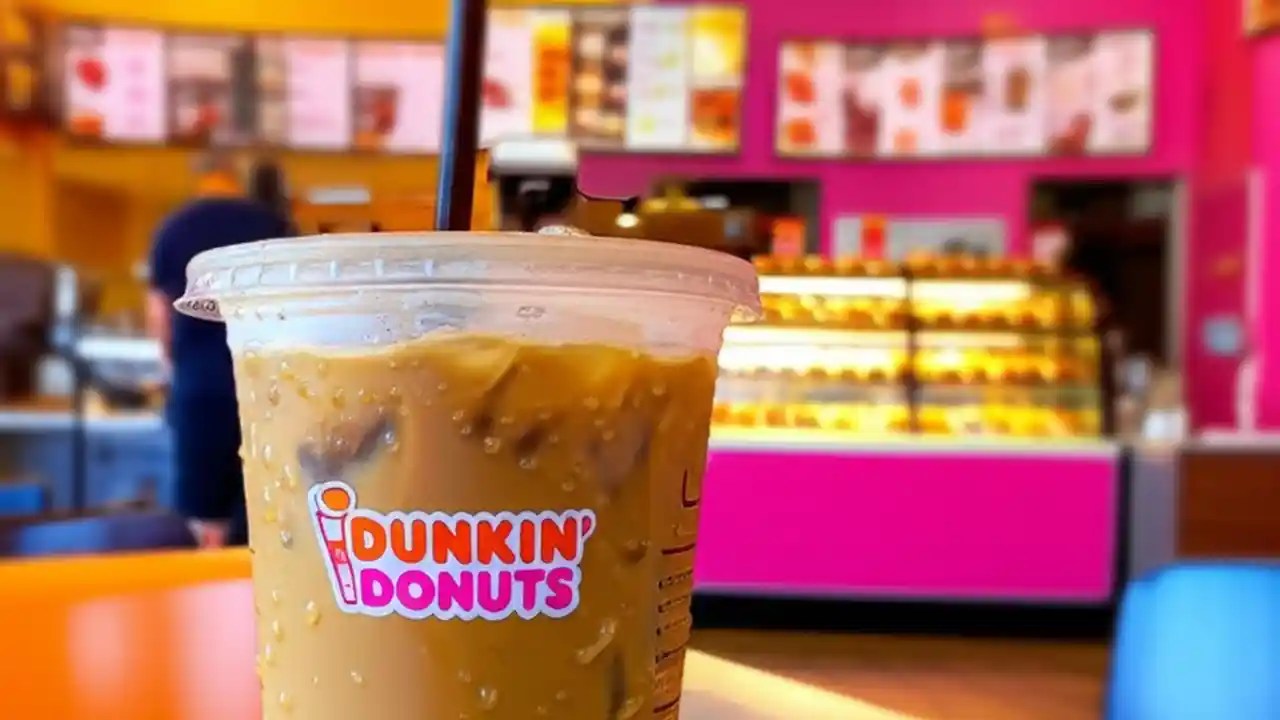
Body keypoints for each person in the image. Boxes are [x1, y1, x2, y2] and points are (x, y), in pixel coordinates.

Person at [146, 153, 293, 548]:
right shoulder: (271, 225)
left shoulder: (174, 227)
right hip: (264, 389)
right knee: (263, 509)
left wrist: (168, 364)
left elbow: (160, 310)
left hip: (199, 388)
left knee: (203, 520)